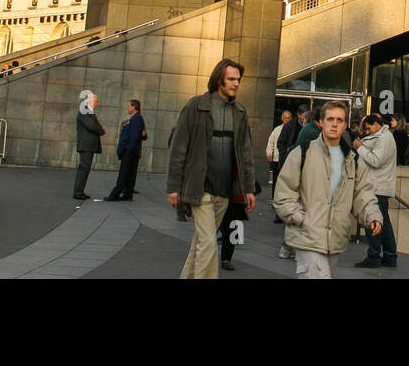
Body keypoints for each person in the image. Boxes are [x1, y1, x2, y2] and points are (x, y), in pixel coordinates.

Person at [166, 58, 256, 280]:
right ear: (218, 81)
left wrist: (248, 189)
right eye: (231, 79)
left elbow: (245, 153)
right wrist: (173, 187)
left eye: (238, 79)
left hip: (224, 191)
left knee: (201, 242)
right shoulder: (196, 107)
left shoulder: (240, 112)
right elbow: (178, 148)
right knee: (208, 244)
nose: (236, 83)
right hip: (200, 188)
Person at [273, 100, 382, 278]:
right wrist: (301, 218)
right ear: (321, 122)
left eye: (339, 120)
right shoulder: (302, 153)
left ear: (345, 125)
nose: (334, 124)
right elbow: (283, 192)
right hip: (307, 236)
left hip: (335, 238)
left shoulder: (352, 160)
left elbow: (362, 193)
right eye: (330, 119)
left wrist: (372, 216)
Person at [353, 112, 398, 269]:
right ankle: (389, 255)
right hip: (379, 186)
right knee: (383, 223)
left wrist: (360, 148)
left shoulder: (384, 138)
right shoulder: (383, 137)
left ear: (377, 124)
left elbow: (376, 160)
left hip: (377, 186)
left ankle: (374, 255)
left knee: (374, 221)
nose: (367, 131)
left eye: (368, 128)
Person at [106, 99, 146, 201]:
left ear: (134, 107)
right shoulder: (136, 118)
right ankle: (127, 194)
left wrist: (128, 149)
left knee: (124, 173)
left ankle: (115, 194)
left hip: (130, 151)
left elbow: (134, 136)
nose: (127, 108)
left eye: (129, 106)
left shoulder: (136, 119)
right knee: (130, 173)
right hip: (132, 150)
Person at [73, 90, 105, 200]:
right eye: (96, 101)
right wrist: (101, 130)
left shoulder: (89, 112)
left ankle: (80, 191)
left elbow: (94, 125)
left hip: (88, 145)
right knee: (84, 168)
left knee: (85, 168)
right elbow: (91, 126)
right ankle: (78, 192)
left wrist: (100, 128)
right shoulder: (84, 111)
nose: (97, 103)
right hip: (86, 145)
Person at [265, 110, 291, 196]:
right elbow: (271, 142)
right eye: (285, 118)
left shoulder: (293, 130)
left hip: (288, 159)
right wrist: (269, 154)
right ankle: (274, 197)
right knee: (276, 179)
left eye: (288, 118)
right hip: (277, 159)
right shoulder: (277, 129)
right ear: (282, 119)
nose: (287, 120)